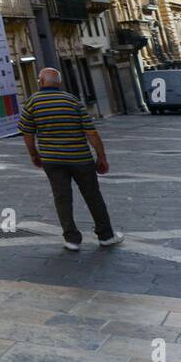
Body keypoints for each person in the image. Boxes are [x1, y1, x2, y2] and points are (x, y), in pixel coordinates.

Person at [19, 66, 124, 252]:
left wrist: (33, 154)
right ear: (59, 83)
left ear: (41, 82)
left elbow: (27, 133)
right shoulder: (72, 101)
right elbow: (91, 132)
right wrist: (101, 156)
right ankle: (106, 235)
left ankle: (71, 239)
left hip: (51, 159)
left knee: (62, 198)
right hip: (80, 158)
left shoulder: (32, 103)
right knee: (93, 196)